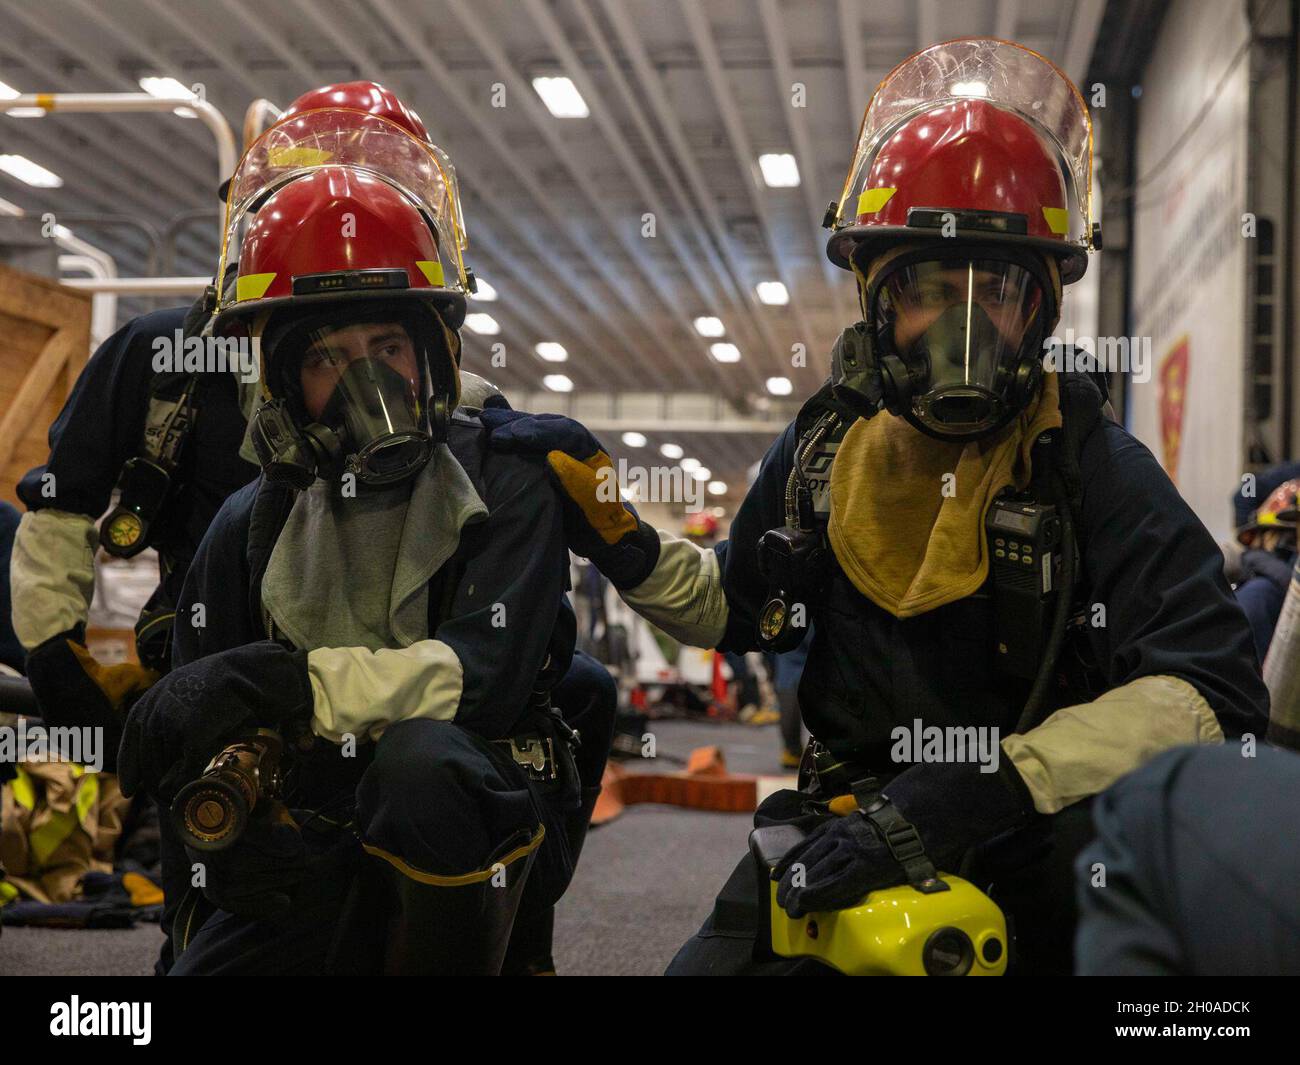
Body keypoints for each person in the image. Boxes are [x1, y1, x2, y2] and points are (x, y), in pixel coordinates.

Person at [483, 38, 1268, 974]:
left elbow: (1213, 693)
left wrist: (985, 784)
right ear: (875, 299)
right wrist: (616, 530)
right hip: (840, 829)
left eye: (997, 291)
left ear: (1042, 312)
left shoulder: (1092, 464)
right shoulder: (823, 449)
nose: (962, 329)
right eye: (931, 290)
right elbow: (735, 606)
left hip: (1028, 842)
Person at [118, 103, 611, 976]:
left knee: (426, 767)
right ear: (283, 382)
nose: (364, 380)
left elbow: (481, 686)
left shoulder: (507, 476)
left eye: (388, 343)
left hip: (460, 824)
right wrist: (220, 864)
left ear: (432, 354)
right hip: (311, 834)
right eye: (326, 359)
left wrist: (281, 683)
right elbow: (196, 746)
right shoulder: (247, 525)